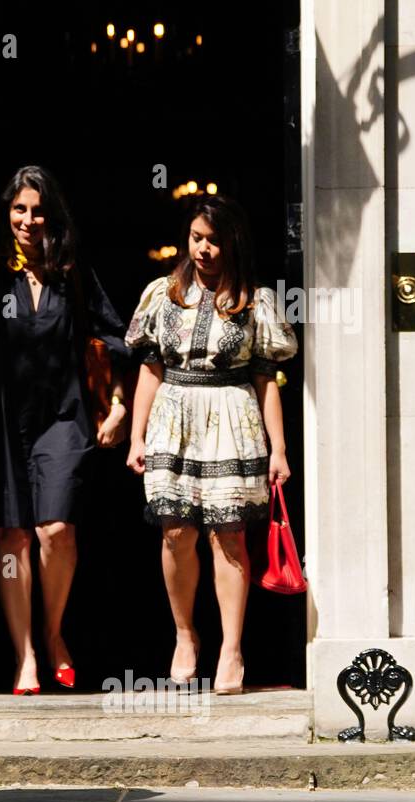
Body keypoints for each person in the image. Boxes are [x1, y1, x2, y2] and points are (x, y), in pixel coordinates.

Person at [0, 165, 131, 694]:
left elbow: (112, 337)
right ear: (7, 213)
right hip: (1, 417)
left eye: (37, 210)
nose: (28, 219)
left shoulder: (69, 270)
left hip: (64, 414)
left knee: (55, 531)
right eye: (19, 209)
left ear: (51, 215)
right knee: (12, 536)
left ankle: (53, 635)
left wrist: (118, 403)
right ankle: (25, 654)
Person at [124, 195, 298, 695]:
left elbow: (267, 378)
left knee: (229, 536)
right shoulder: (163, 293)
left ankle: (232, 648)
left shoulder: (255, 300)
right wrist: (136, 436)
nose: (203, 248)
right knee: (175, 532)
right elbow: (150, 367)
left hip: (231, 415)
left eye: (214, 240)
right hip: (173, 415)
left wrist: (279, 449)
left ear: (232, 242)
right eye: (197, 238)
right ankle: (184, 634)